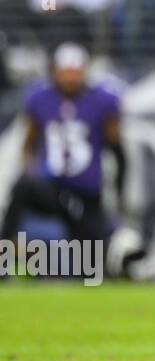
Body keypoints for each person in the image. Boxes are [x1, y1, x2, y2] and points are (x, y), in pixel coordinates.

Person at [1, 43, 130, 281]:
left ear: (84, 71)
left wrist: (119, 194)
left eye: (75, 71)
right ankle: (3, 258)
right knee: (22, 187)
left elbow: (118, 150)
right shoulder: (40, 99)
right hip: (53, 187)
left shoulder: (103, 101)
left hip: (87, 195)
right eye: (65, 71)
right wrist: (33, 170)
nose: (70, 77)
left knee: (93, 270)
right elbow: (28, 144)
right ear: (55, 72)